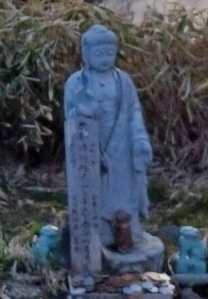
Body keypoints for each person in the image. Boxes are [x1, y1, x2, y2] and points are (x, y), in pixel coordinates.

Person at [64, 24, 152, 247]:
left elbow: (134, 112)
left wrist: (140, 139)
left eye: (109, 53)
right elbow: (70, 118)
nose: (105, 58)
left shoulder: (124, 81)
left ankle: (129, 231)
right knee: (94, 189)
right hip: (91, 147)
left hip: (121, 145)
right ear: (86, 54)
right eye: (98, 53)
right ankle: (98, 234)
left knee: (123, 189)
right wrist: (83, 112)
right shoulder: (76, 82)